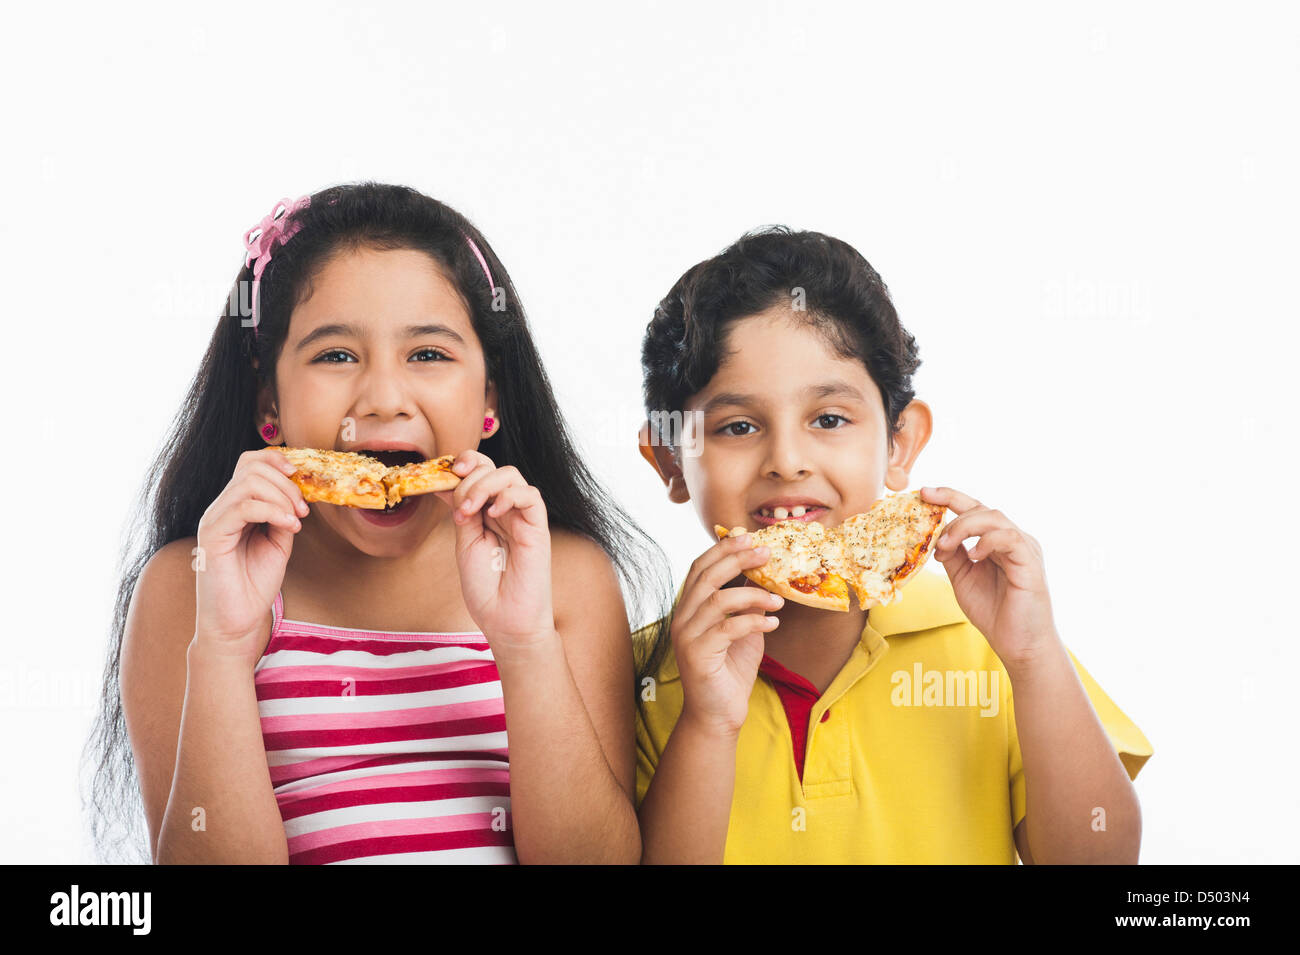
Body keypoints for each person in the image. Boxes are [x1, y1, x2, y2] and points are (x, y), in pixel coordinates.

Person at [83, 182, 670, 864]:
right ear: (268, 405)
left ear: (489, 400)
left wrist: (525, 642)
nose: (384, 398)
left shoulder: (564, 580)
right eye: (335, 355)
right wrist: (223, 645)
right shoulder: (191, 586)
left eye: (428, 354)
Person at [633, 226, 1153, 863]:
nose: (787, 461)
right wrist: (707, 723)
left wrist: (1034, 655)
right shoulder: (633, 676)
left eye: (829, 419)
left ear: (899, 444)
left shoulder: (988, 642)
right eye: (738, 426)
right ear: (671, 463)